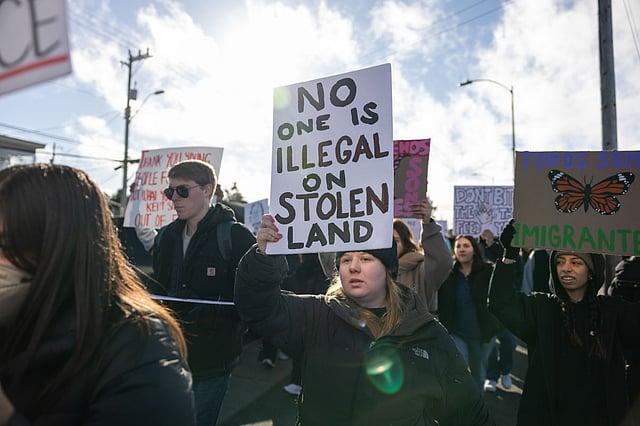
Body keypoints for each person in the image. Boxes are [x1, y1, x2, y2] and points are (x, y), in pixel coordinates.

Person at [234, 214, 493, 425]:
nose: (354, 267)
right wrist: (264, 258)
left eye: (366, 259)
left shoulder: (426, 331)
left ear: (388, 270)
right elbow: (258, 307)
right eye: (346, 259)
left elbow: (467, 410)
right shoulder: (317, 314)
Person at [0, 164, 195, 425]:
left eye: (4, 244)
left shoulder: (140, 347)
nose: (175, 198)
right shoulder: (13, 317)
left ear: (60, 246)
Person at [489, 220, 640, 426]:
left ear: (591, 272)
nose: (566, 268)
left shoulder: (612, 311)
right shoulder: (541, 308)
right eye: (560, 262)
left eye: (576, 263)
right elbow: (501, 302)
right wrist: (509, 257)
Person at [151, 160, 256, 426]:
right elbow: (159, 289)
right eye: (170, 191)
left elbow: (255, 296)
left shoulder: (235, 236)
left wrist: (213, 312)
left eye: (182, 190)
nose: (174, 198)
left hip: (212, 359)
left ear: (208, 189)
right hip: (169, 354)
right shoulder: (165, 237)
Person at [437, 235, 503, 392]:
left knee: (478, 375)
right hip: (457, 333)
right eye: (458, 246)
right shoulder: (449, 274)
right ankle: (464, 411)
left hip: (483, 334)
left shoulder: (488, 271)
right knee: (462, 371)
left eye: (466, 246)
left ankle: (478, 410)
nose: (461, 249)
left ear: (474, 250)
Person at [393, 199, 452, 313]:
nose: (391, 245)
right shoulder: (376, 270)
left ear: (406, 244)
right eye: (387, 240)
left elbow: (443, 261)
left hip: (418, 329)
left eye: (396, 241)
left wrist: (428, 224)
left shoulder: (421, 269)